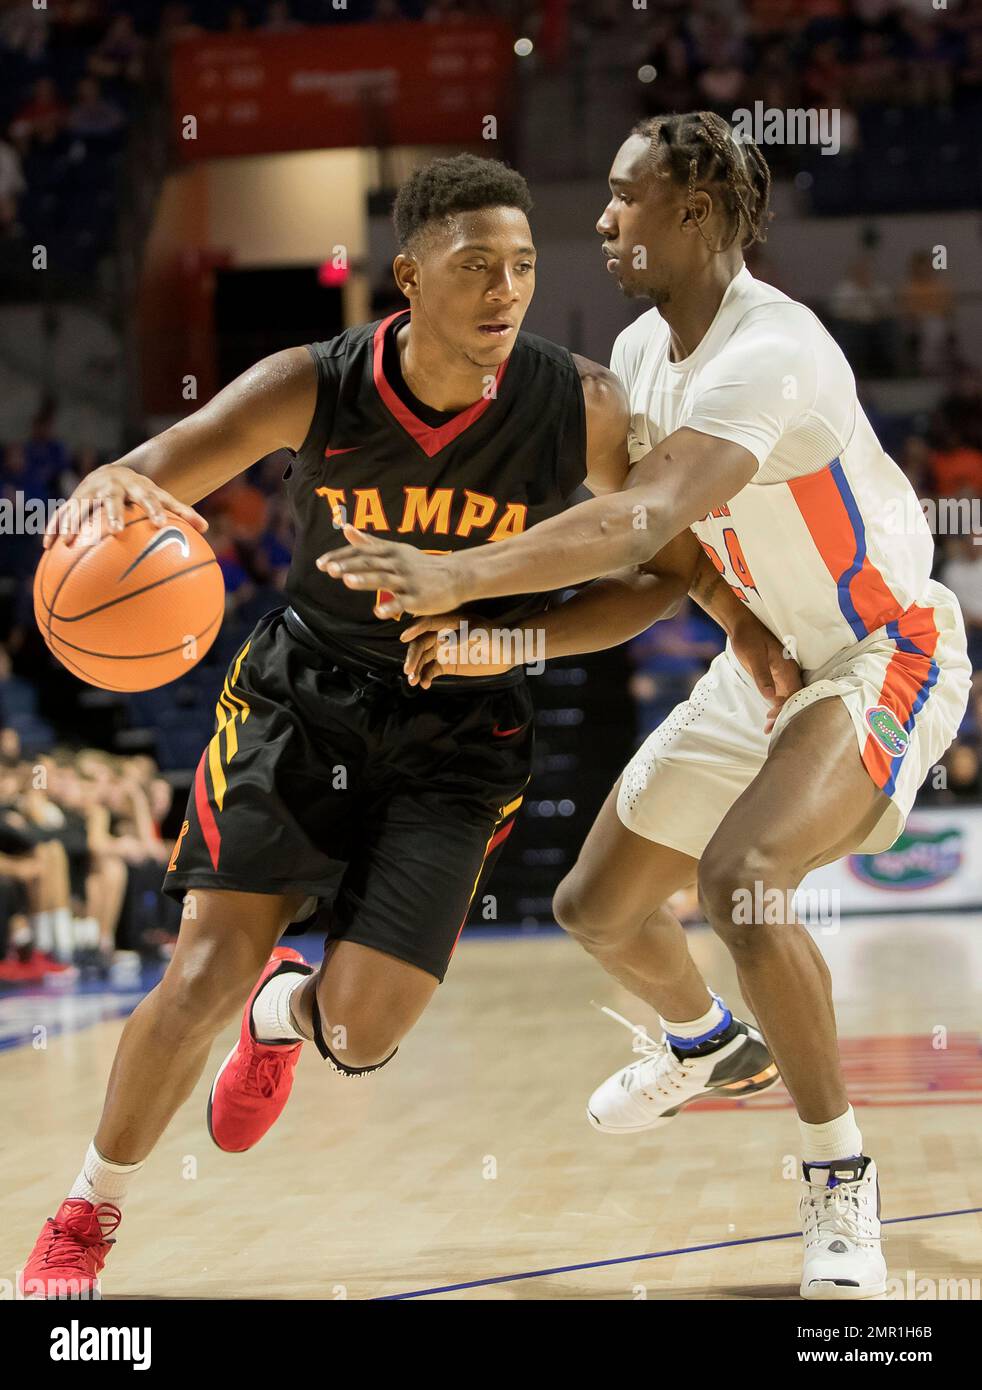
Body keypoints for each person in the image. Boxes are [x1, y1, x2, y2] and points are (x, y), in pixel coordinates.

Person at [19, 153, 790, 1299]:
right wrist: (111, 491)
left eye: (523, 267)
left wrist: (548, 638)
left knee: (364, 1033)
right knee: (199, 970)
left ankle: (283, 1012)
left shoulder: (573, 403)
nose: (504, 292)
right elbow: (153, 473)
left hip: (463, 731)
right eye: (476, 266)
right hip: (303, 697)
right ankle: (88, 1209)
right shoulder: (309, 383)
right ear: (409, 277)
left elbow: (660, 570)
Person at [324, 113, 973, 1300]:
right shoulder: (637, 352)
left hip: (882, 647)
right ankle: (707, 1043)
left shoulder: (772, 351)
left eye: (626, 198)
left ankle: (839, 1181)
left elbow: (638, 513)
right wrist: (496, 640)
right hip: (767, 655)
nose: (604, 219)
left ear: (699, 212)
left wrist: (462, 572)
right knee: (597, 904)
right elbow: (661, 571)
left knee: (743, 878)